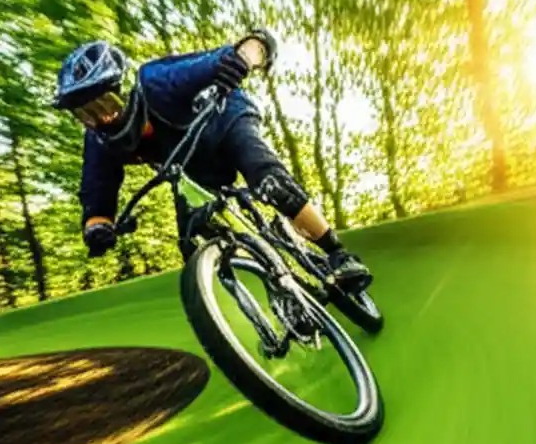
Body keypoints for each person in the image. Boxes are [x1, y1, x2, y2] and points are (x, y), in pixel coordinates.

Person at [50, 29, 373, 292]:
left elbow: (244, 49)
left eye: (108, 103)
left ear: (126, 90)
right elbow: (97, 192)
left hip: (225, 120)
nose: (103, 119)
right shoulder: (98, 141)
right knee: (191, 243)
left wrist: (246, 57)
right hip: (191, 164)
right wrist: (97, 228)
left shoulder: (158, 81)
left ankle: (338, 253)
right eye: (87, 114)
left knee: (268, 180)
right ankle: (279, 292)